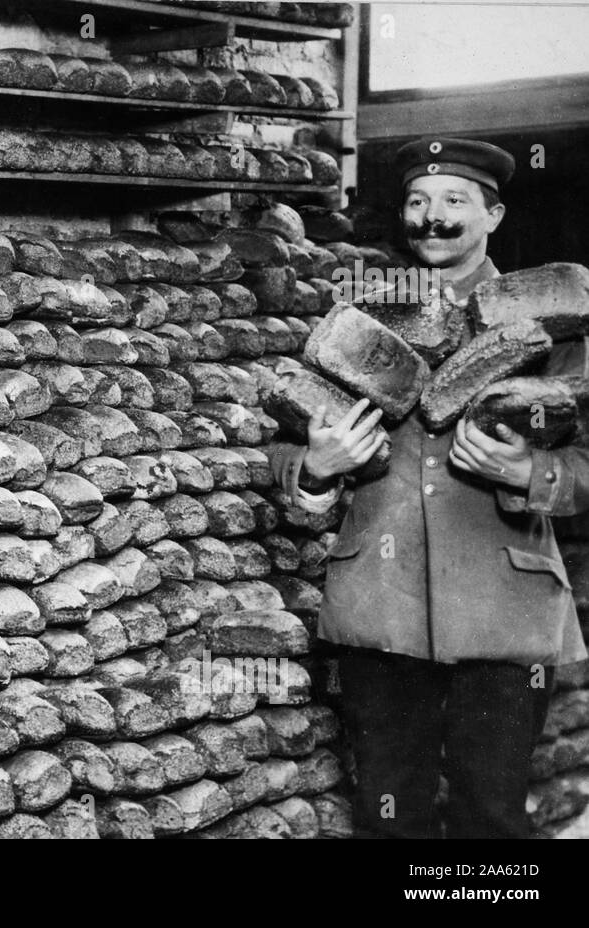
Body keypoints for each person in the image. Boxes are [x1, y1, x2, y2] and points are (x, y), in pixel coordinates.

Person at [266, 137, 589, 838]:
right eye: (417, 201)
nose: (430, 219)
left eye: (453, 202)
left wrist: (530, 473)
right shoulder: (361, 323)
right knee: (388, 811)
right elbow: (289, 445)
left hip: (506, 608)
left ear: (493, 214)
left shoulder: (548, 324)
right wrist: (319, 465)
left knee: (492, 818)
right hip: (381, 611)